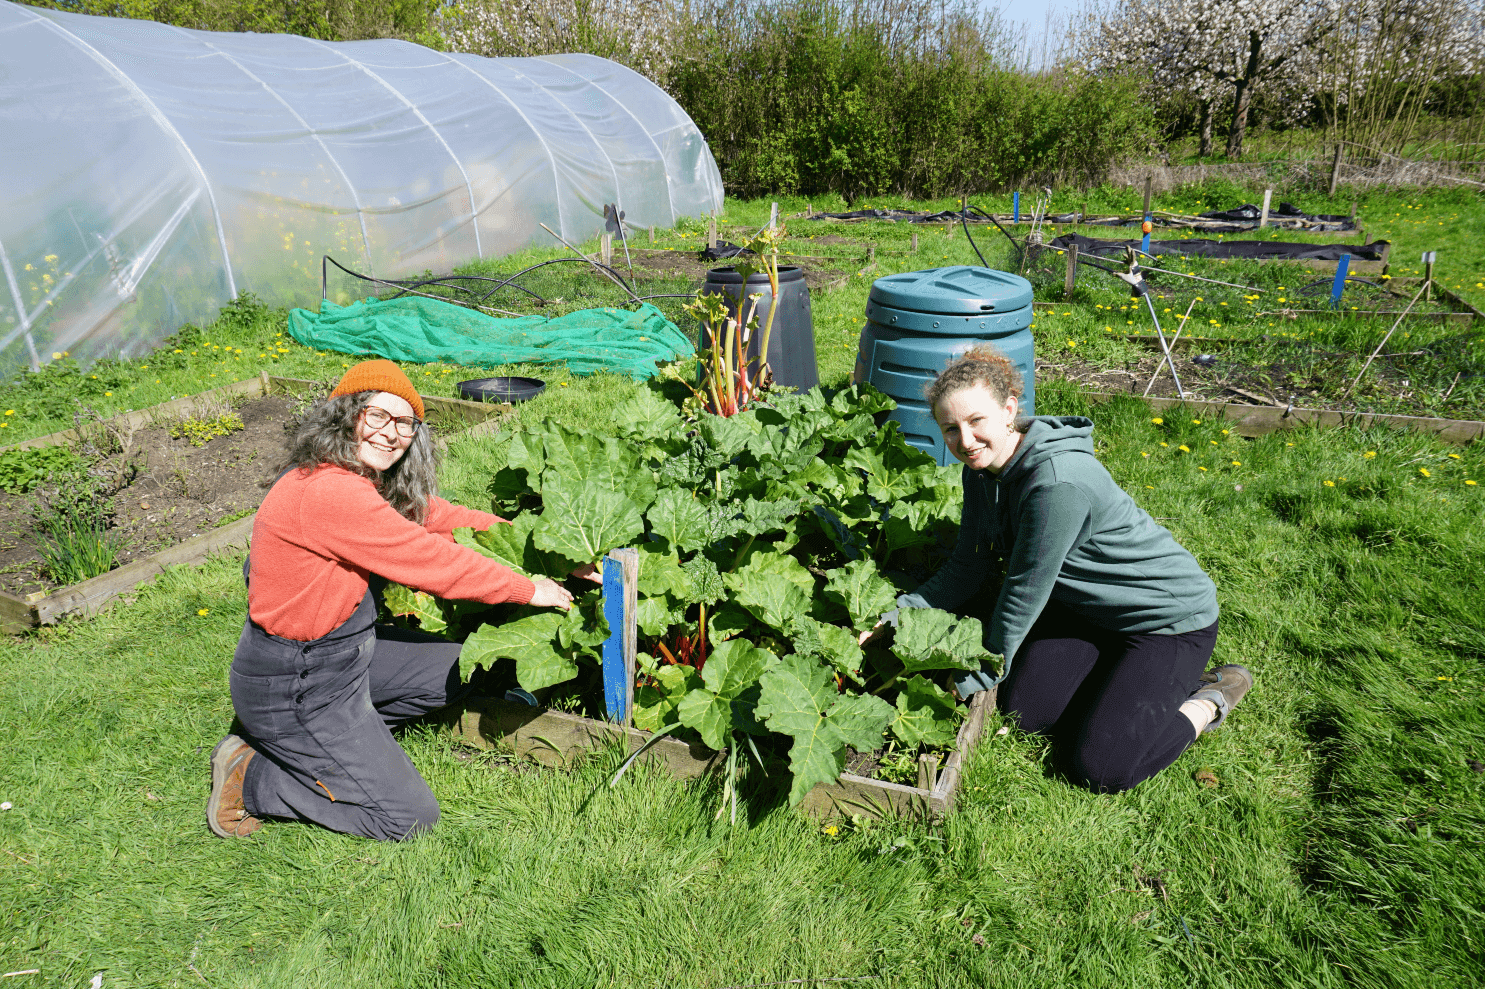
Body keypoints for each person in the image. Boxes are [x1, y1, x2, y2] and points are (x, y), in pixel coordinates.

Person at [207, 360, 581, 841]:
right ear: (345, 415)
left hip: (347, 660)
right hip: (296, 683)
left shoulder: (363, 480)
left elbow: (444, 518)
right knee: (408, 819)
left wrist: (553, 550)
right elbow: (435, 562)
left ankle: (324, 747)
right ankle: (254, 777)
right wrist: (530, 589)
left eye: (405, 423)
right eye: (377, 416)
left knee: (461, 667)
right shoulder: (329, 492)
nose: (392, 433)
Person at [864, 346, 1251, 793]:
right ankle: (1122, 677)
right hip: (1089, 611)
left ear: (1009, 410)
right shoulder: (982, 471)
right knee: (1028, 714)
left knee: (1101, 768)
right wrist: (894, 616)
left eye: (976, 421)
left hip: (1165, 621)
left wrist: (979, 671)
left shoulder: (1055, 483)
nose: (965, 440)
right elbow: (968, 567)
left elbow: (1024, 593)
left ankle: (1209, 698)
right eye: (951, 429)